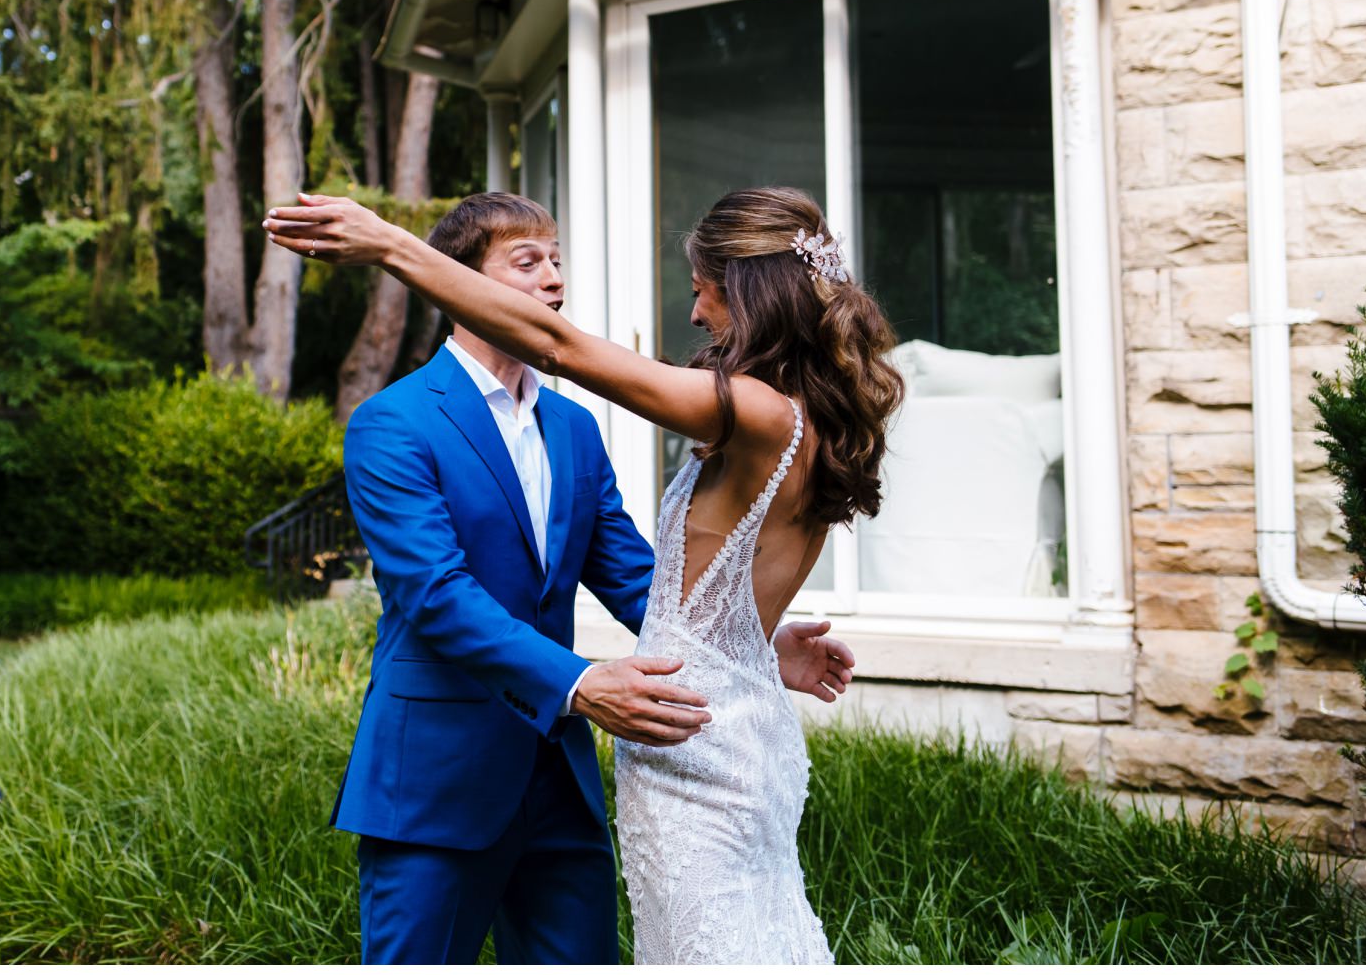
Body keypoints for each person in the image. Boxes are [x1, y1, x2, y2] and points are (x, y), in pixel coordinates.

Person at [265, 185, 903, 966]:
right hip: (436, 782)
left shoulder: (580, 427)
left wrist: (715, 651)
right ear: (458, 279)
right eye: (528, 262)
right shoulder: (394, 422)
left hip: (562, 789)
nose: (554, 280)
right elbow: (435, 594)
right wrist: (724, 653)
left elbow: (629, 572)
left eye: (558, 262)